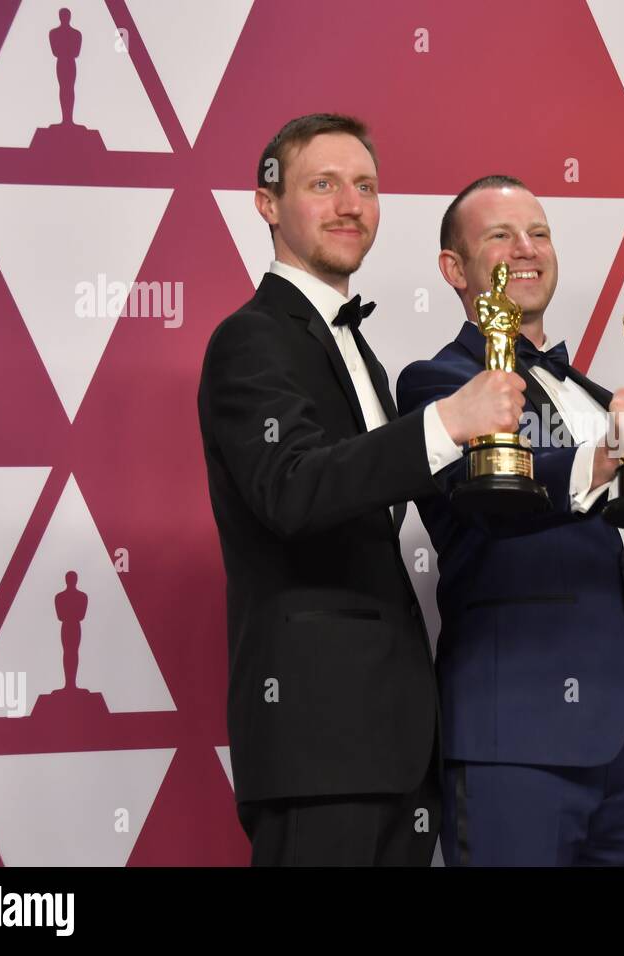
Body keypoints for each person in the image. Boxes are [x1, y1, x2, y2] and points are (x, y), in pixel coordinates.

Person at [197, 114, 525, 866]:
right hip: (317, 745)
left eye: (366, 186)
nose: (350, 204)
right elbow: (292, 490)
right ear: (267, 203)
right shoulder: (250, 339)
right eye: (323, 184)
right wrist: (445, 422)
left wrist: (597, 472)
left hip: (395, 745)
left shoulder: (359, 353)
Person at [397, 175, 624, 866]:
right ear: (454, 269)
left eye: (539, 233)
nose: (526, 248)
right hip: (516, 743)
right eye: (500, 234)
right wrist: (611, 450)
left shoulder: (594, 393)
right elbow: (491, 492)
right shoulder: (437, 385)